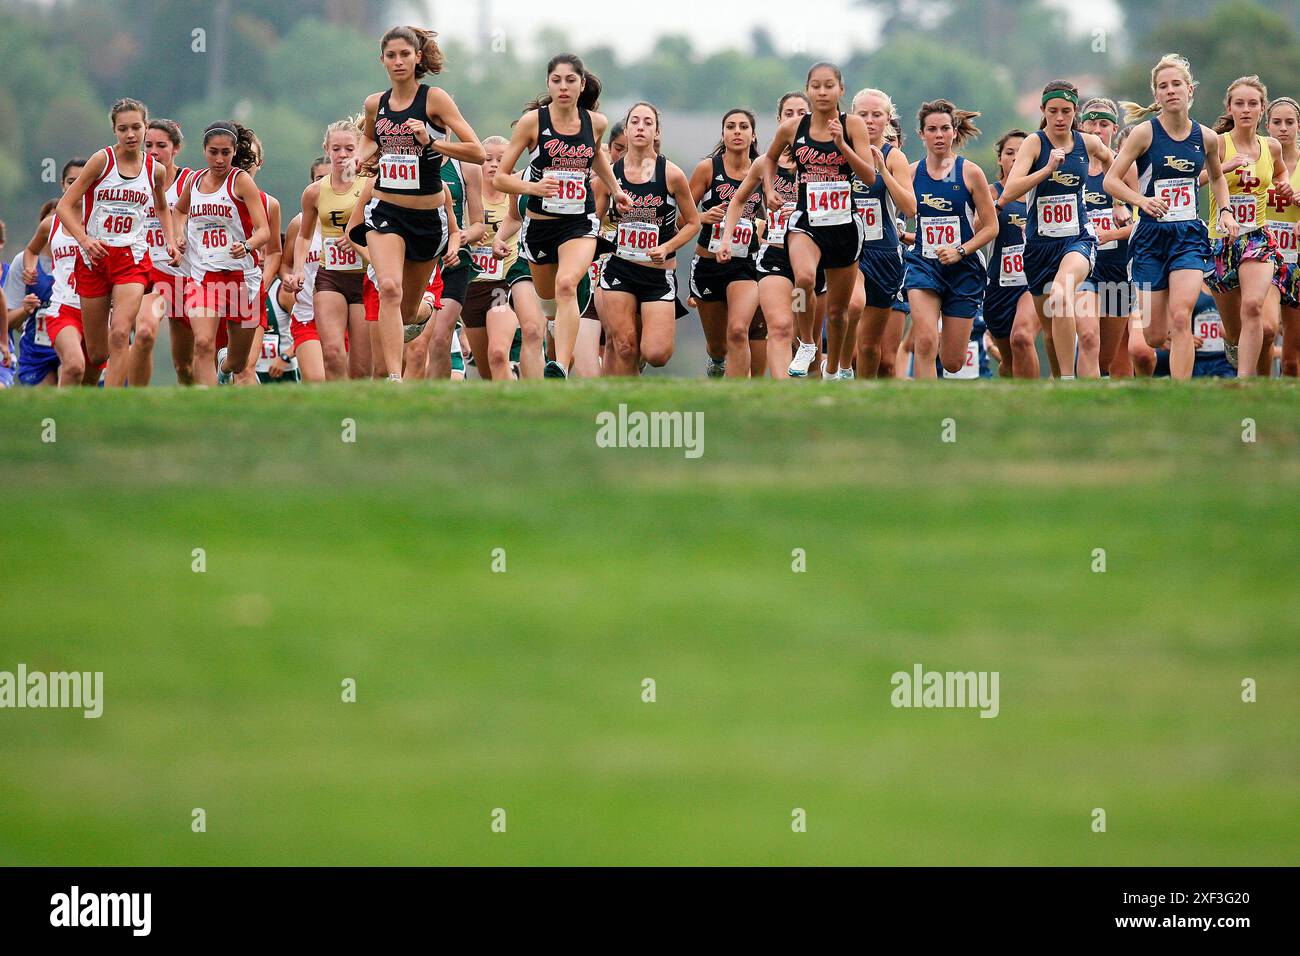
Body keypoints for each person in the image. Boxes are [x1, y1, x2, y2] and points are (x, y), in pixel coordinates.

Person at [717, 63, 876, 381]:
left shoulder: (853, 125)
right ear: (808, 88)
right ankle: (806, 344)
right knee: (804, 278)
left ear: (840, 90)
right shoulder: (793, 130)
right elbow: (769, 159)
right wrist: (770, 188)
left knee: (838, 313)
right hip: (804, 223)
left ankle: (832, 368)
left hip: (843, 224)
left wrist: (842, 145)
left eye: (828, 85)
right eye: (815, 85)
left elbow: (870, 177)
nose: (822, 91)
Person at [354, 24, 484, 382]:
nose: (398, 62)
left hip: (428, 218)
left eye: (405, 55)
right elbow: (369, 140)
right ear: (381, 60)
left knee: (408, 310)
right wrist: (359, 158)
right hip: (385, 211)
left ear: (418, 58)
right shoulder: (374, 104)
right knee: (389, 289)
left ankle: (422, 314)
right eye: (391, 56)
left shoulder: (434, 100)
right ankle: (394, 379)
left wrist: (432, 142)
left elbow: (477, 151)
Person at [493, 53, 630, 378]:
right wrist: (534, 189)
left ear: (581, 85)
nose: (564, 87)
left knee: (567, 284)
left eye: (571, 80)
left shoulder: (595, 123)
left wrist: (615, 188)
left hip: (578, 223)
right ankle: (558, 321)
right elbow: (501, 177)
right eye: (557, 80)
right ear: (548, 84)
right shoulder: (532, 123)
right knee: (548, 302)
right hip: (540, 227)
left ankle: (559, 365)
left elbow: (595, 154)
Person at [1108, 54, 1237, 380]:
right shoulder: (1143, 135)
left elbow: (1218, 177)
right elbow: (1111, 180)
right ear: (1156, 95)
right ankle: (1161, 339)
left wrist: (1225, 211)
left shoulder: (1206, 137)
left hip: (1189, 236)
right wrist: (1141, 200)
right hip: (1151, 237)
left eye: (1176, 84)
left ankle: (1182, 394)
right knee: (1153, 335)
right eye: (1163, 86)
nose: (1170, 91)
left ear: (1189, 90)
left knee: (1181, 316)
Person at [1000, 80, 1118, 379]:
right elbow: (1011, 190)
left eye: (1066, 111)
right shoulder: (1034, 144)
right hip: (1039, 247)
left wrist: (1118, 202)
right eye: (1053, 111)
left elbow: (1112, 163)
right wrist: (1046, 170)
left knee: (1062, 294)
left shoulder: (1087, 143)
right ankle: (1059, 380)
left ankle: (1068, 380)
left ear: (1075, 111)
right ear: (1043, 111)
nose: (1060, 118)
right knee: (1052, 332)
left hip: (1077, 239)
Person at [56, 98, 177, 385]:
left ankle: (112, 403)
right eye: (123, 129)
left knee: (121, 333)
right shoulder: (102, 161)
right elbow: (65, 206)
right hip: (94, 257)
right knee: (97, 353)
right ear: (114, 131)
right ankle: (86, 399)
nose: (131, 135)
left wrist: (170, 240)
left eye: (136, 127)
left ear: (146, 127)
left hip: (131, 258)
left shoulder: (154, 170)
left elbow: (161, 206)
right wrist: (85, 241)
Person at [596, 102, 698, 376]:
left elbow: (693, 223)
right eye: (635, 122)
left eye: (648, 122)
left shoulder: (671, 174)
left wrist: (667, 247)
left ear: (657, 132)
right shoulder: (609, 175)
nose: (641, 127)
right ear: (626, 131)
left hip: (657, 275)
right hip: (620, 269)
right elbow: (594, 221)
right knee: (624, 346)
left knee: (657, 354)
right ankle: (625, 406)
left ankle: (640, 357)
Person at [902, 100, 999, 377]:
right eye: (932, 129)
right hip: (923, 265)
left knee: (953, 362)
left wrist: (960, 250)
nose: (939, 135)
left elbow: (990, 227)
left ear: (954, 132)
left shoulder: (970, 172)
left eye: (945, 128)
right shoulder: (910, 173)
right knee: (924, 340)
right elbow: (895, 210)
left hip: (963, 270)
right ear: (922, 134)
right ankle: (924, 406)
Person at [173, 120, 272, 386]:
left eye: (225, 153)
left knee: (238, 362)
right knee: (203, 343)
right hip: (204, 277)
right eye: (213, 152)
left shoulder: (241, 182)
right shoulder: (193, 181)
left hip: (242, 278)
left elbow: (264, 231)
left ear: (234, 152)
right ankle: (209, 404)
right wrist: (178, 234)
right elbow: (179, 211)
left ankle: (224, 365)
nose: (219, 159)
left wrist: (248, 245)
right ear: (204, 151)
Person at [1205, 75, 1290, 378]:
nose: (1245, 109)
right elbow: (1194, 182)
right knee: (1235, 326)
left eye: (1252, 103)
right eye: (1239, 103)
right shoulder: (1216, 143)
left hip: (1257, 236)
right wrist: (1221, 169)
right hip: (1221, 239)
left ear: (1262, 109)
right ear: (1229, 108)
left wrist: (1284, 187)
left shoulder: (1272, 147)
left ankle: (1245, 382)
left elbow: (1280, 174)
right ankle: (1232, 341)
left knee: (1253, 306)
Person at [289, 117, 370, 380]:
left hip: (364, 277)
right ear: (326, 149)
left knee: (360, 366)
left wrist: (360, 238)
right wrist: (298, 270)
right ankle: (338, 413)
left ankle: (358, 414)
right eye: (336, 149)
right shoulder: (314, 192)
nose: (342, 155)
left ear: (358, 149)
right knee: (333, 353)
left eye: (349, 149)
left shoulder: (370, 184)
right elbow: (303, 236)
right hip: (330, 277)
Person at [689, 109, 764, 378]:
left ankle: (738, 396)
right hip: (708, 264)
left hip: (745, 265)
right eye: (730, 126)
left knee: (737, 331)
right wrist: (702, 217)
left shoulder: (763, 170)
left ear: (753, 135)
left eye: (743, 126)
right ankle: (717, 362)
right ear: (722, 133)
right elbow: (678, 220)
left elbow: (770, 216)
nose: (737, 131)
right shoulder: (707, 169)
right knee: (719, 345)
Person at [849, 88, 915, 379]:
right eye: (863, 114)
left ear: (887, 119)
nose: (869, 120)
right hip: (848, 250)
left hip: (884, 254)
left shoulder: (894, 157)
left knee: (870, 348)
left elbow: (910, 207)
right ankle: (835, 372)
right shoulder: (841, 153)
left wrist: (883, 173)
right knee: (852, 304)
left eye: (876, 115)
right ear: (853, 116)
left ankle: (864, 395)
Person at [753, 92, 818, 378]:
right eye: (788, 113)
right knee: (779, 327)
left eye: (801, 113)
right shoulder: (767, 163)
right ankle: (782, 392)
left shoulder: (821, 162)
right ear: (779, 120)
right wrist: (731, 235)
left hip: (810, 263)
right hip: (776, 258)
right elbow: (738, 201)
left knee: (802, 336)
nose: (795, 119)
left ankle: (810, 397)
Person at [1077, 99, 1139, 377]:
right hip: (1081, 268)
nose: (1097, 130)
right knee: (1088, 337)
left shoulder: (1127, 170)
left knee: (1106, 360)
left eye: (1104, 124)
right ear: (1081, 126)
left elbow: (1145, 221)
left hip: (1117, 271)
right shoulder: (1069, 167)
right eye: (1091, 123)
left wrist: (1113, 233)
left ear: (1114, 129)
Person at [130, 119, 193, 386]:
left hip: (185, 277)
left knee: (184, 366)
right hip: (149, 275)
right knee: (144, 334)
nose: (153, 152)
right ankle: (135, 403)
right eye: (149, 145)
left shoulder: (191, 181)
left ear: (176, 148)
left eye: (161, 146)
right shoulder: (133, 179)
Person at [983, 130, 1038, 378]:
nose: (1016, 158)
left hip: (1035, 281)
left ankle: (1036, 404)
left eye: (1021, 152)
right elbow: (975, 229)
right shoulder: (990, 192)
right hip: (999, 285)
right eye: (1009, 153)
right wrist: (997, 206)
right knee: (1009, 361)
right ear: (1000, 159)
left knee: (1023, 338)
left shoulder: (1042, 191)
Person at [1265, 96, 1300, 376]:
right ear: (1267, 126)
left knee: (1291, 358)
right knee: (1266, 329)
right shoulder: (1259, 159)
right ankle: (1258, 389)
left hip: (1296, 262)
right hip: (1265, 259)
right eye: (1277, 122)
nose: (1283, 128)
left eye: (1289, 122)